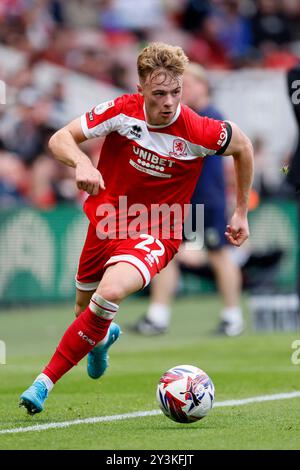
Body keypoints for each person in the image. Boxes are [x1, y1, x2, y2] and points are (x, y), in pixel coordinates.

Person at [19, 42, 253, 415]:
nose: (169, 102)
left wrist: (240, 211)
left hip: (159, 229)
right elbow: (59, 138)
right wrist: (81, 163)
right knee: (84, 311)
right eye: (159, 93)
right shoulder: (120, 111)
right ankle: (101, 339)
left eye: (175, 92)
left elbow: (243, 146)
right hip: (108, 223)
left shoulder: (198, 129)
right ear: (141, 87)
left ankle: (42, 384)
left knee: (109, 292)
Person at [132, 63, 244, 337]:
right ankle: (158, 316)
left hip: (206, 200)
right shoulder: (184, 116)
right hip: (182, 201)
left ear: (204, 86)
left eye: (188, 86)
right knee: (165, 255)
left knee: (219, 255)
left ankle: (233, 316)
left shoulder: (211, 117)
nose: (181, 93)